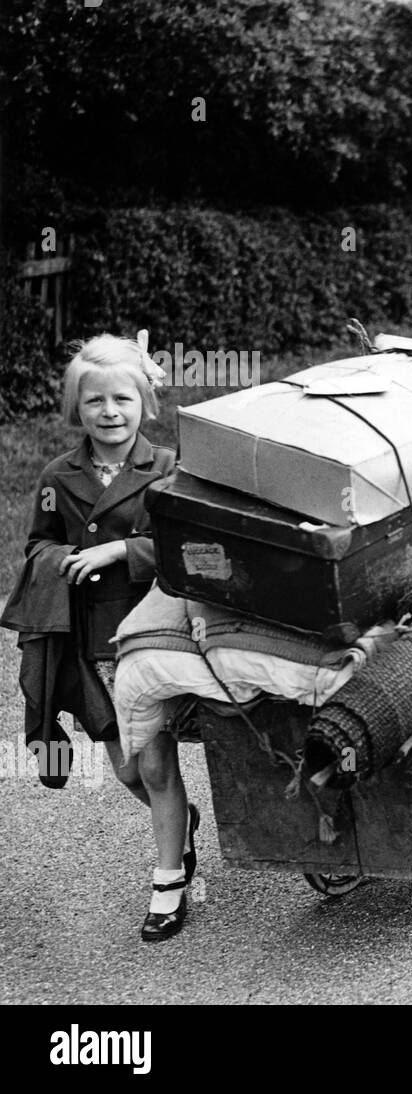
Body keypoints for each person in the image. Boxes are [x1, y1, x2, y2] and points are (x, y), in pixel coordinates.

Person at [0, 334, 196, 941]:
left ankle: (168, 882)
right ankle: (181, 827)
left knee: (156, 763)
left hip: (145, 637)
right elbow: (36, 544)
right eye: (94, 402)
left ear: (145, 403)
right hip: (87, 639)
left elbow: (185, 547)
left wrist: (122, 549)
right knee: (126, 769)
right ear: (75, 409)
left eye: (122, 399)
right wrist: (62, 554)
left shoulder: (167, 469)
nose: (109, 412)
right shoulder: (58, 476)